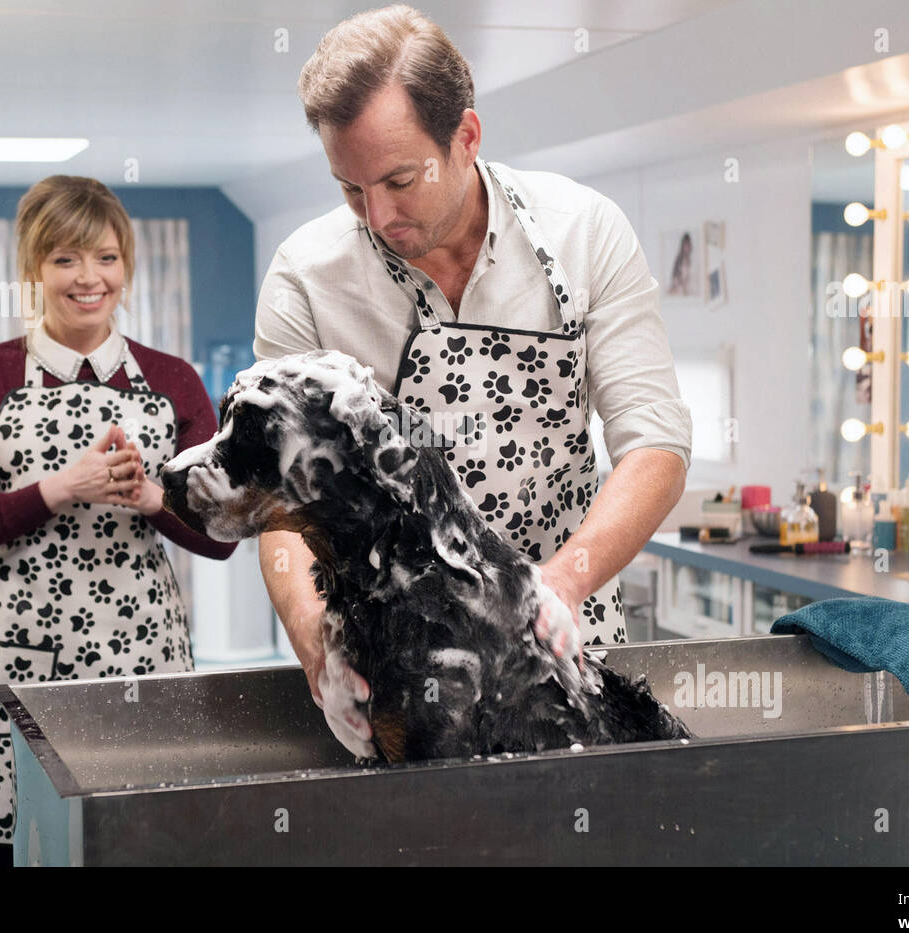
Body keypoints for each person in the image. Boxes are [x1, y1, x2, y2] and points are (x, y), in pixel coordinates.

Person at [254, 5, 692, 758]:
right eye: (350, 189)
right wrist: (317, 648)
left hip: (565, 641)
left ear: (467, 136)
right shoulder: (305, 276)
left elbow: (655, 444)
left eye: (399, 180)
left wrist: (559, 585)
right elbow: (282, 502)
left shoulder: (584, 232)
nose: (378, 215)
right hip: (396, 668)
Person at [0, 175, 236, 866]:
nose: (90, 278)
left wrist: (156, 500)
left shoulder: (174, 381)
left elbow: (221, 535)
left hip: (138, 659)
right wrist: (55, 489)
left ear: (128, 266)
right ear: (33, 270)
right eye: (65, 259)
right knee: (23, 849)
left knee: (139, 846)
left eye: (107, 258)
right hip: (10, 665)